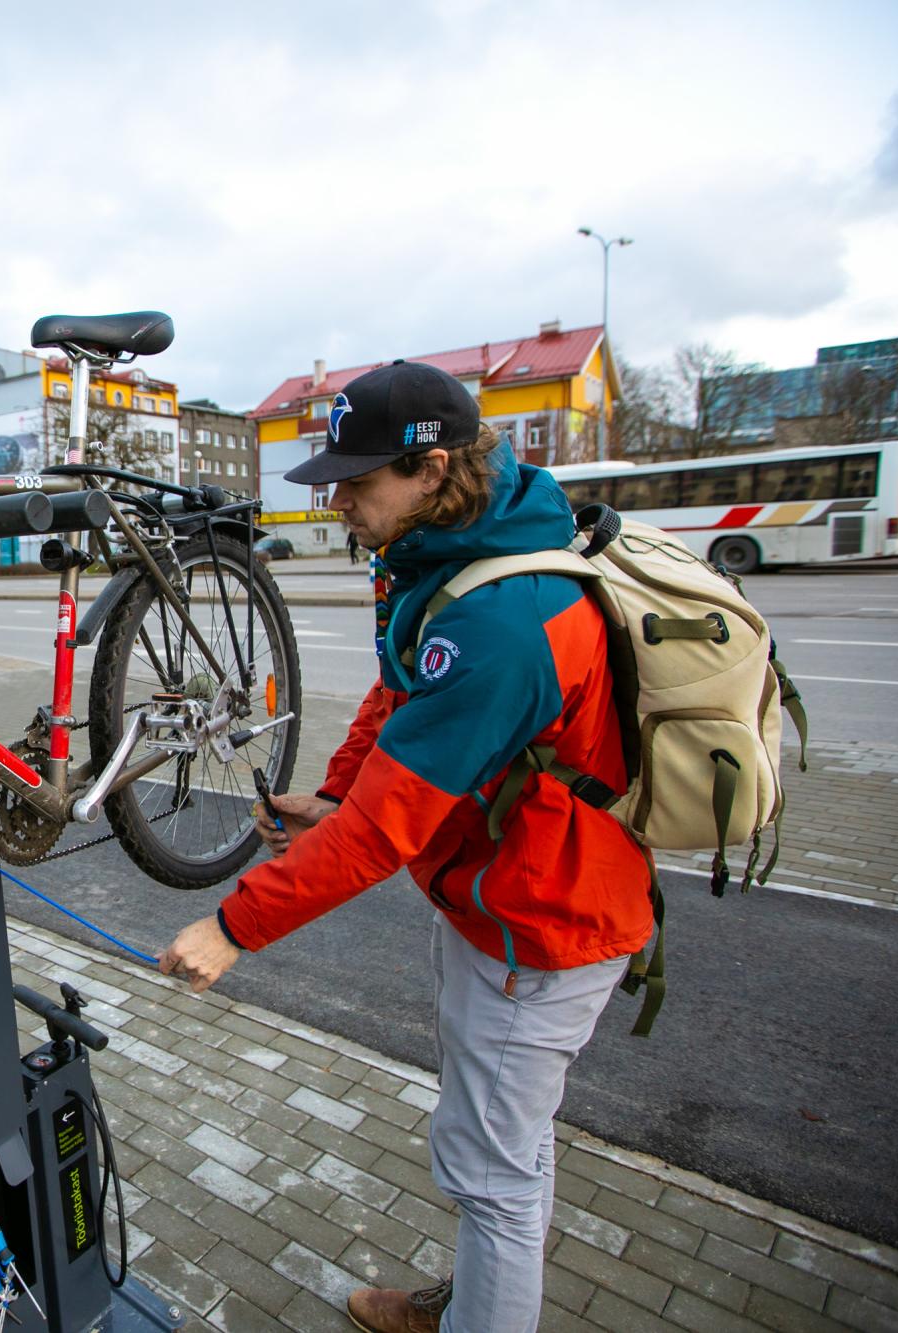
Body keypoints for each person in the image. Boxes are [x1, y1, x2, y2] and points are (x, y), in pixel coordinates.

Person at [158, 360, 653, 1333]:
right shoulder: (452, 551)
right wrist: (337, 792)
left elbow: (389, 830)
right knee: (495, 1145)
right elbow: (398, 693)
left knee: (492, 1171)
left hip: (538, 928)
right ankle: (470, 1299)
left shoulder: (506, 621)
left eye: (356, 480)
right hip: (497, 897)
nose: (337, 500)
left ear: (430, 467)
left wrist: (232, 924)